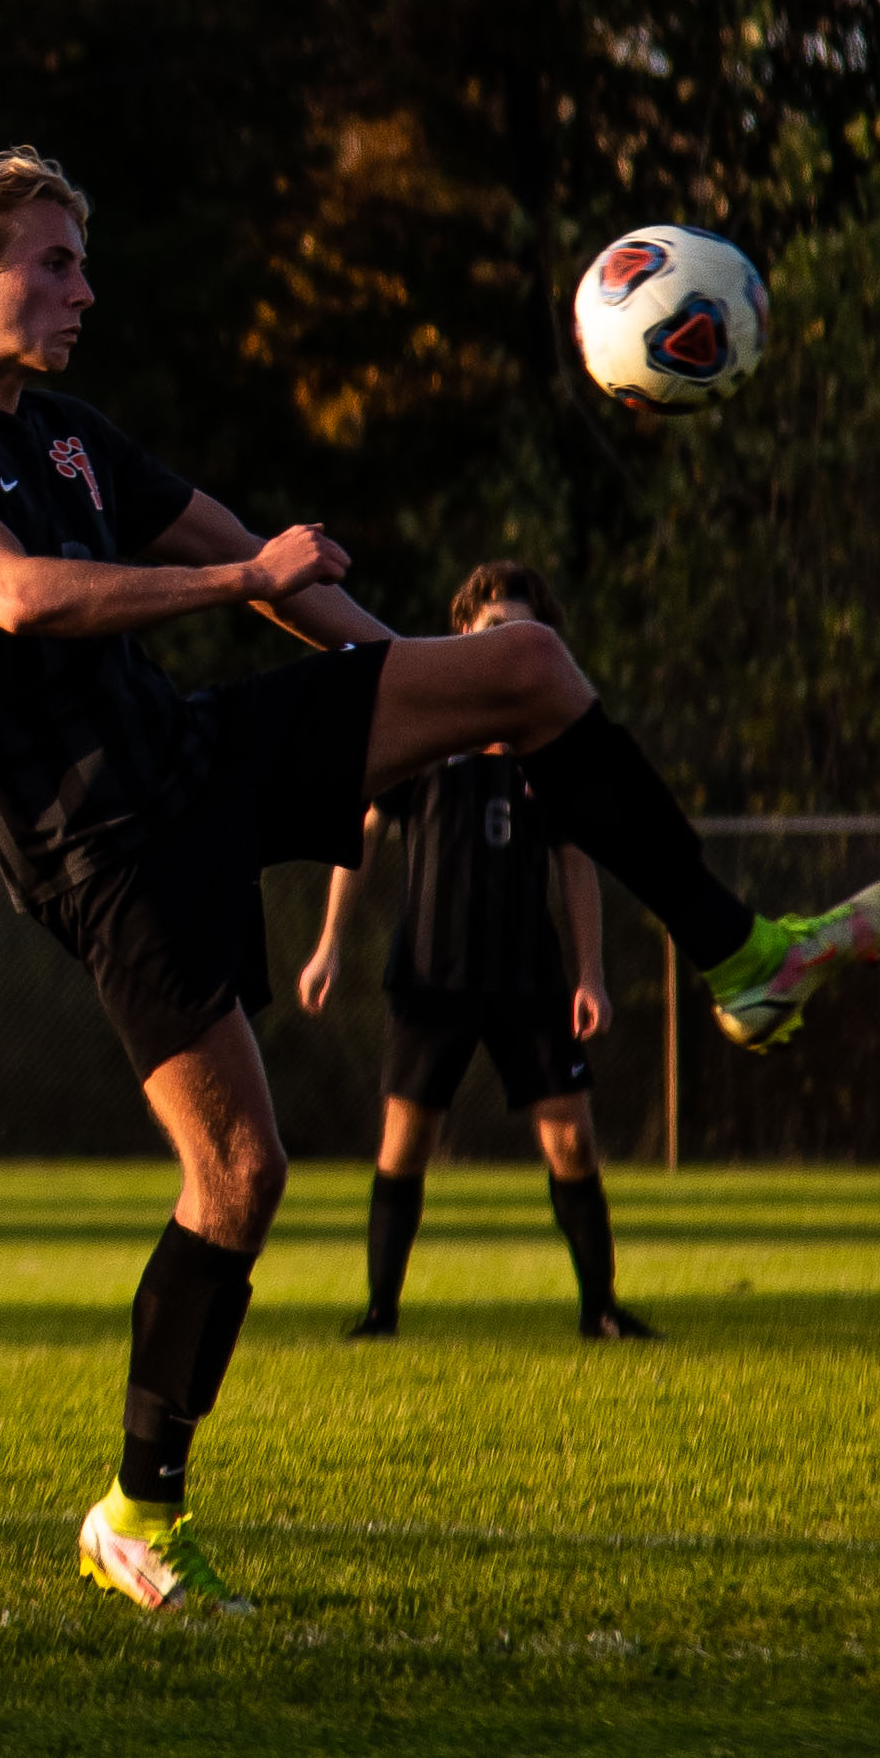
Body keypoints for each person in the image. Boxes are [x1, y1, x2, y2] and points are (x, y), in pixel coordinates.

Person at [0, 148, 880, 1617]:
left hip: (193, 752)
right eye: (55, 262)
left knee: (527, 664)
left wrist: (438, 681)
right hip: (101, 844)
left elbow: (250, 555)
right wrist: (247, 585)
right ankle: (136, 1511)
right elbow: (22, 596)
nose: (83, 289)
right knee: (240, 1176)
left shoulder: (66, 432)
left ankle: (742, 957)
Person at [296, 561, 652, 1343]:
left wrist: (590, 973)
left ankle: (601, 1310)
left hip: (529, 977)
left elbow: (575, 861)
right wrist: (328, 946)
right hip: (432, 973)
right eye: (494, 626)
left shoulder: (551, 741)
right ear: (463, 632)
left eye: (524, 630)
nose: (507, 642)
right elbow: (362, 836)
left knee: (572, 1138)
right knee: (407, 1141)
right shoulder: (427, 731)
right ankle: (381, 1314)